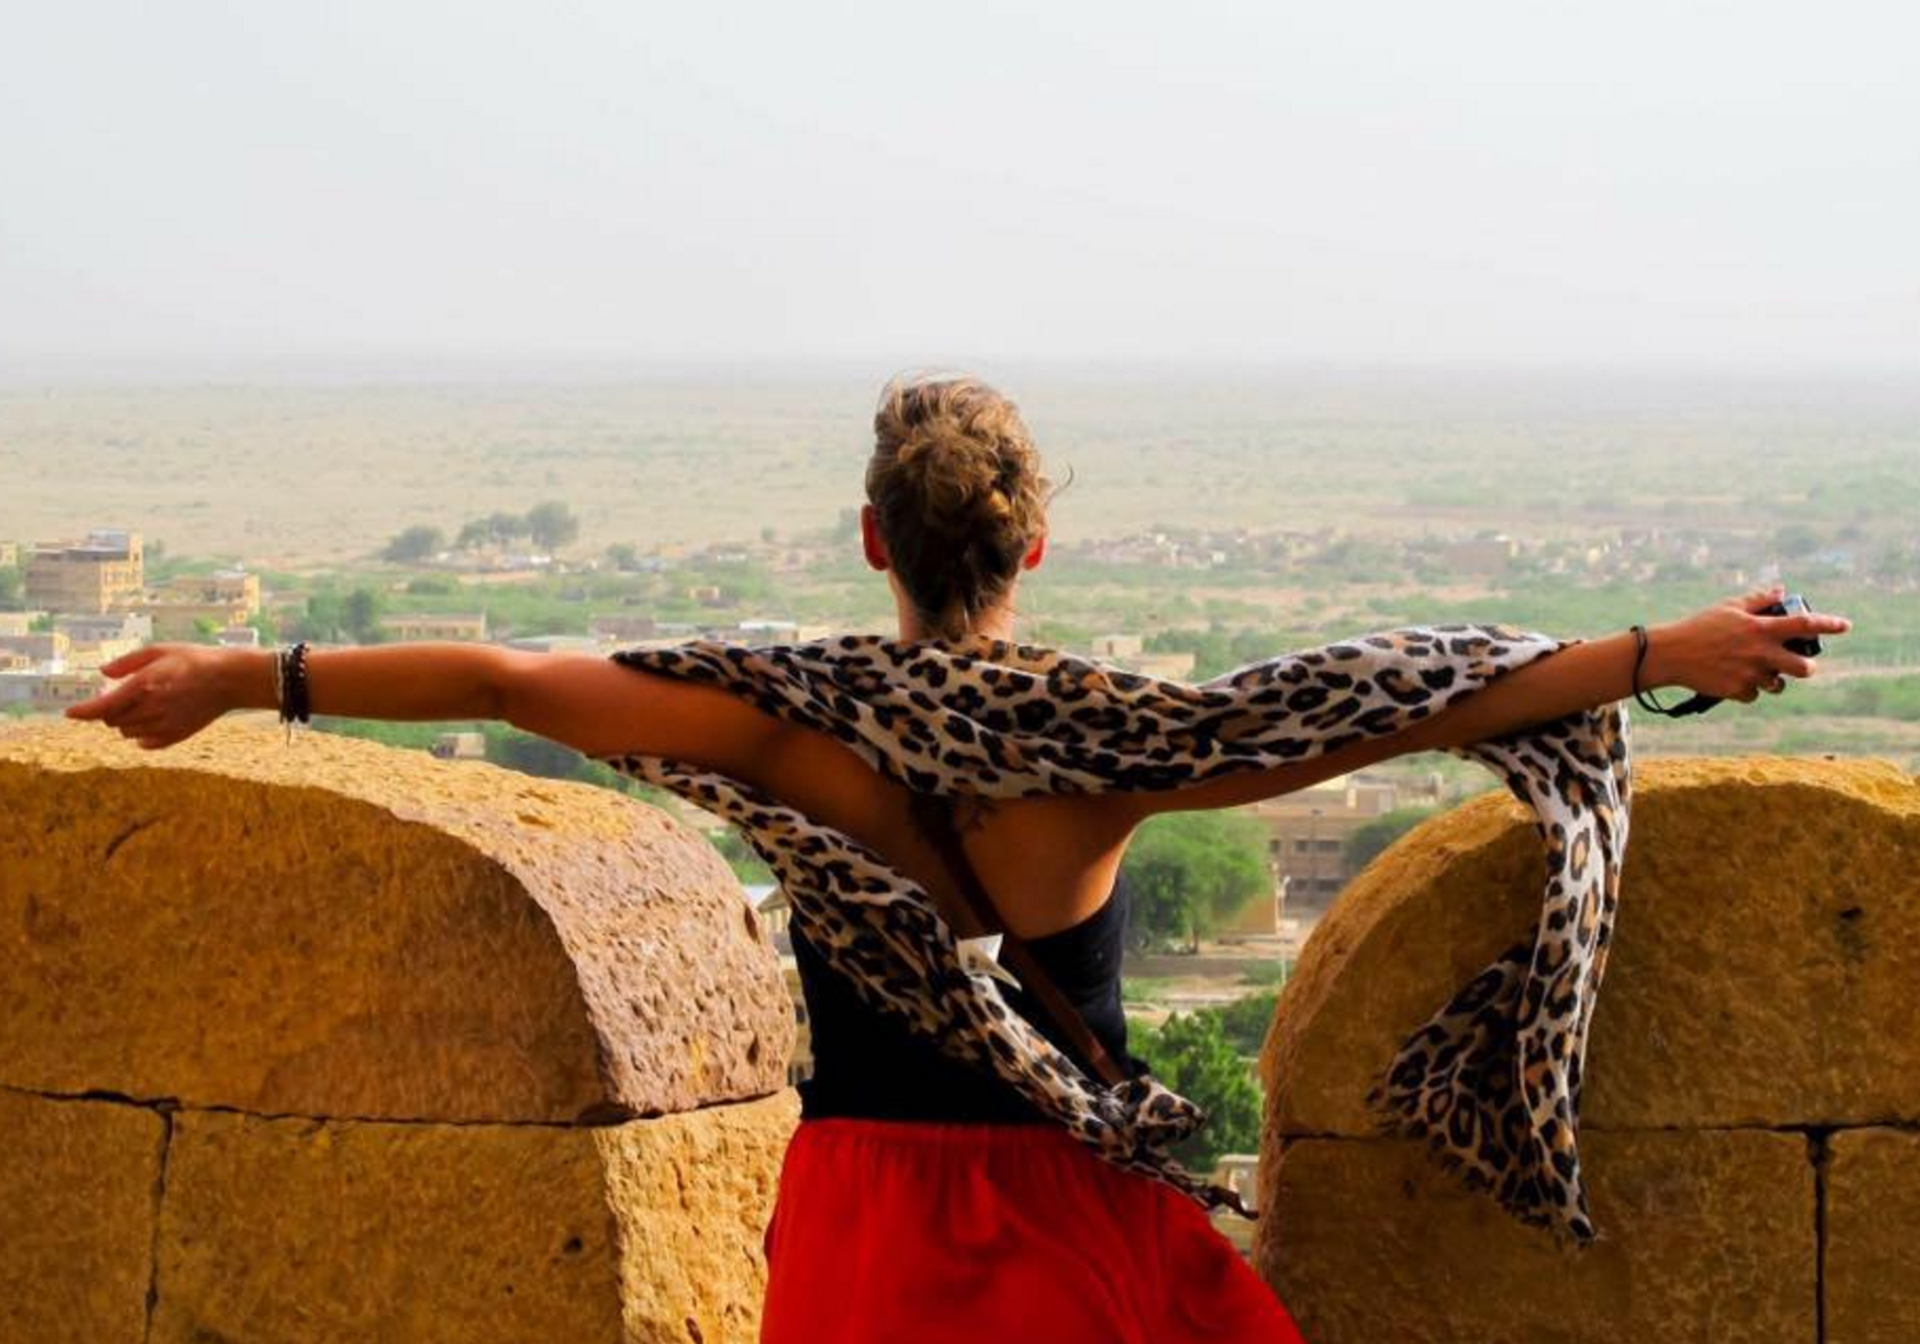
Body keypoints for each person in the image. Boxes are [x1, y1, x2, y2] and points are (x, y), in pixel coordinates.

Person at [65, 374, 1850, 1341]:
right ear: (1037, 550)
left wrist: (247, 675)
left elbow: (513, 675)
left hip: (857, 1228)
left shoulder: (788, 718)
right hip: (1068, 1234)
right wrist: (1656, 654)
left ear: (870, 541)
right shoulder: (1110, 747)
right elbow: (1384, 702)